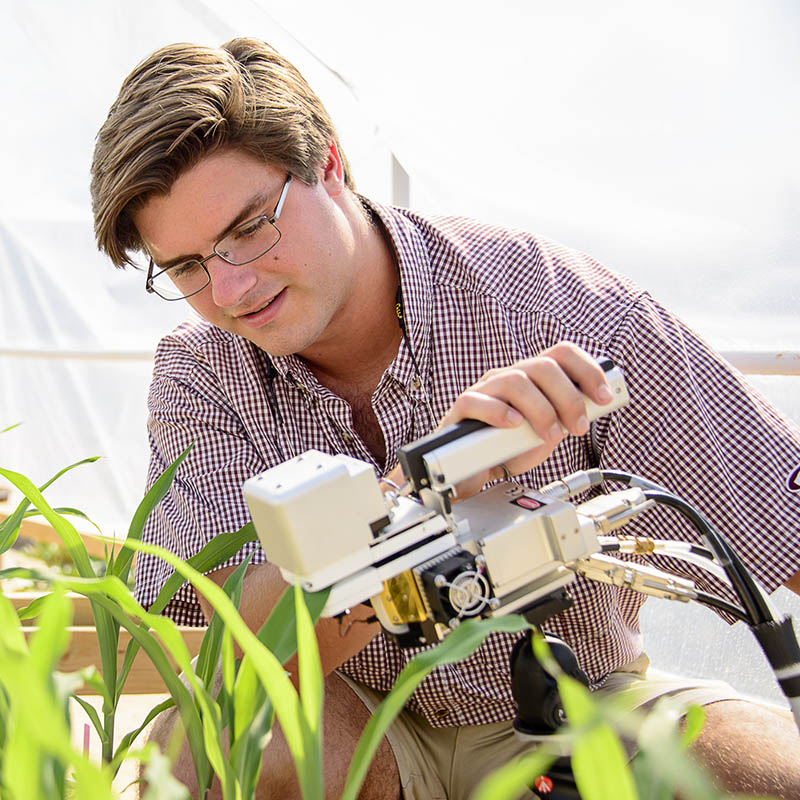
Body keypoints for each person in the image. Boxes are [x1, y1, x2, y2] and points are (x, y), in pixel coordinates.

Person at [90, 37, 800, 799]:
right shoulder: (202, 375)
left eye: (249, 228)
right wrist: (416, 500)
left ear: (327, 163)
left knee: (758, 772)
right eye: (189, 267)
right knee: (224, 738)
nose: (229, 291)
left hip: (578, 700)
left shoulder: (559, 313)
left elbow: (782, 520)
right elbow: (252, 648)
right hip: (362, 718)